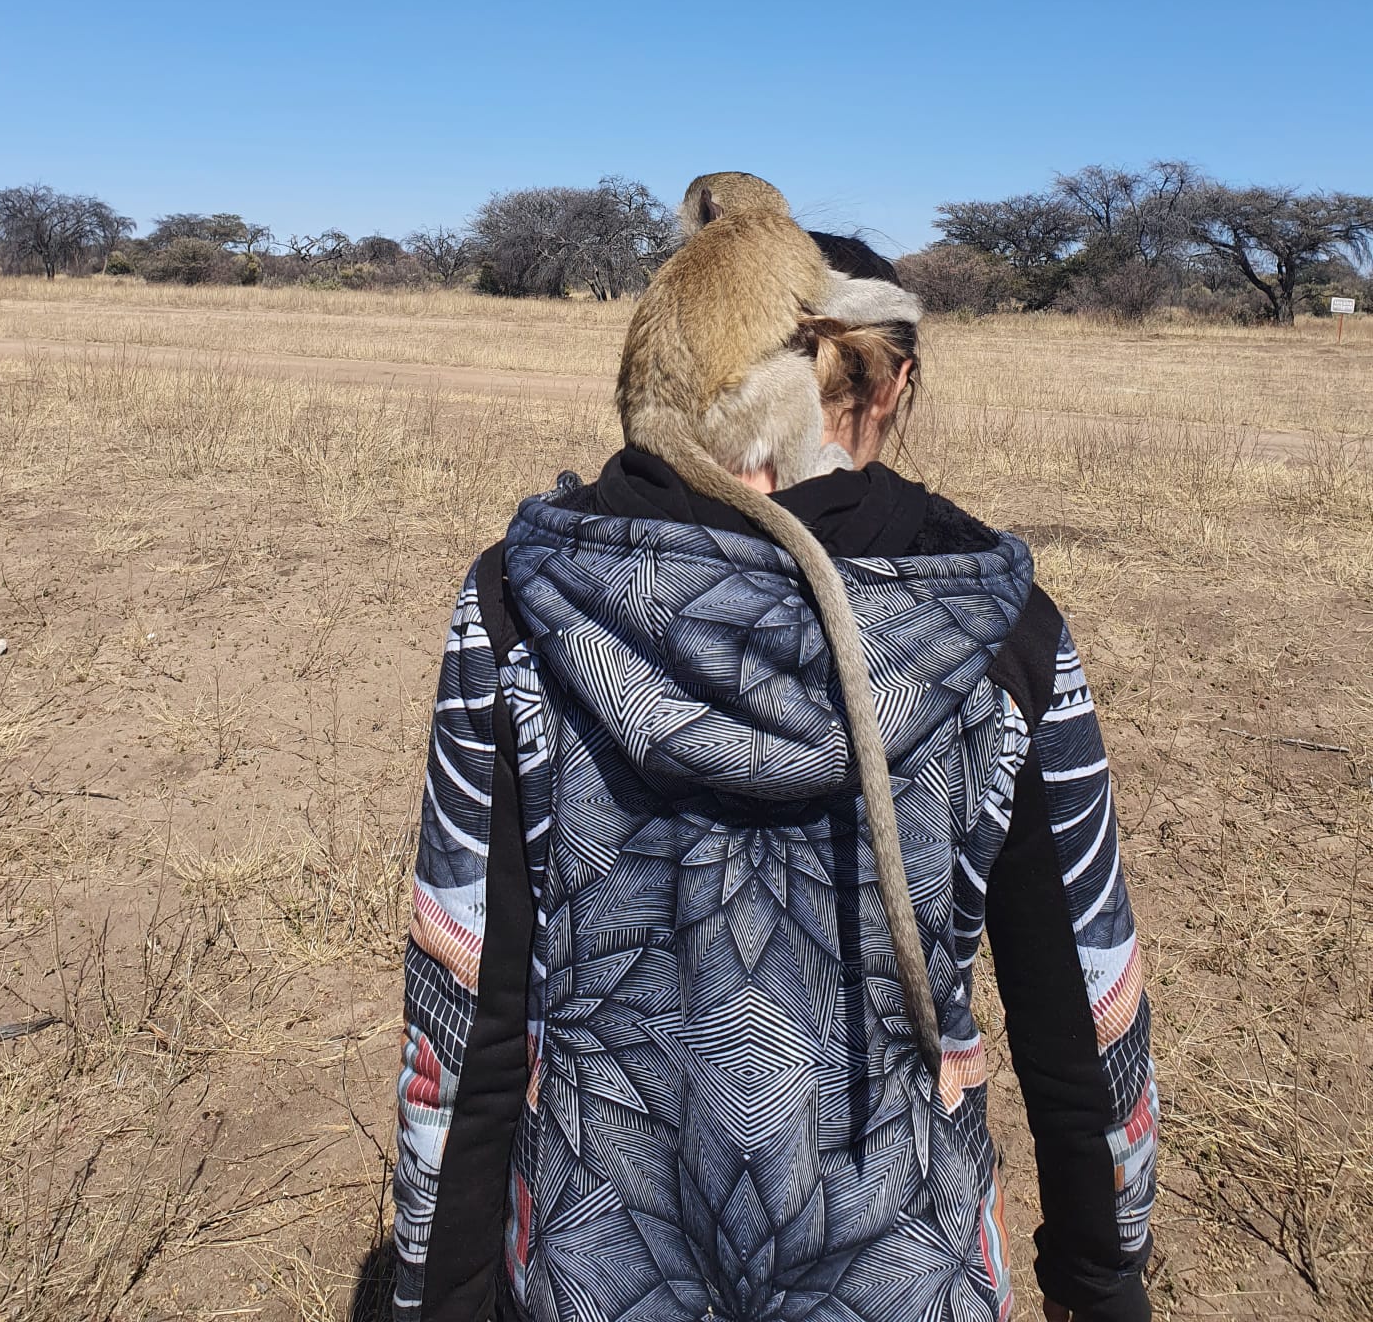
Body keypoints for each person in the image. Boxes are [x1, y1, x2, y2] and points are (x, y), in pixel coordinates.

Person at [394, 235, 1156, 1322]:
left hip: (594, 1276)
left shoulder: (524, 599)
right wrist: (1103, 1272)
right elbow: (1088, 1010)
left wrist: (439, 1288)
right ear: (894, 382)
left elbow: (461, 999)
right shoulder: (1004, 630)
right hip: (905, 1275)